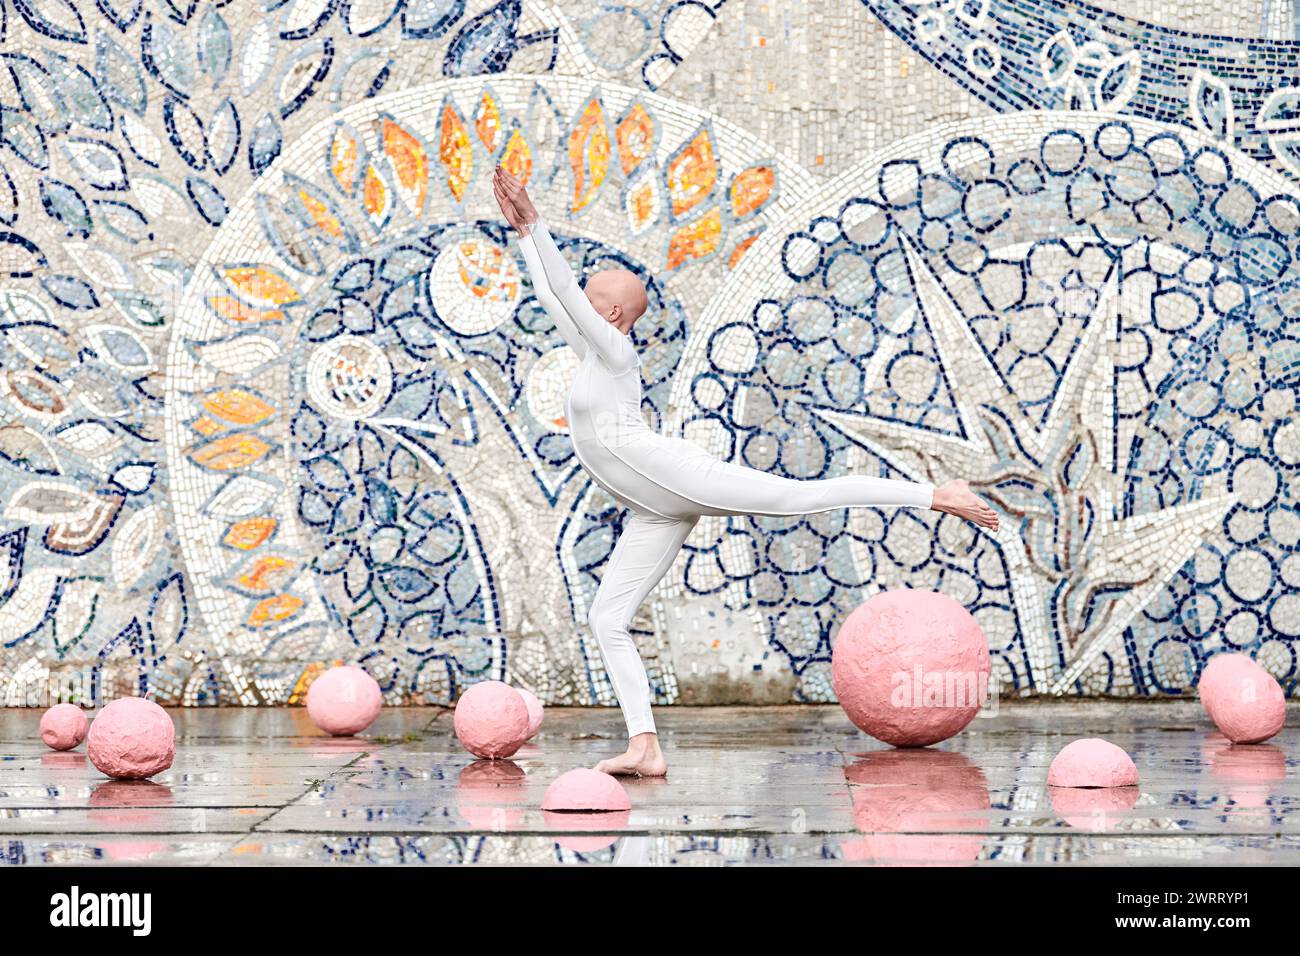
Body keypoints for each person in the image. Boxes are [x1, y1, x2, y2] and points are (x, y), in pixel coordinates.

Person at [492, 166, 999, 776]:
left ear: (616, 316)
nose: (583, 308)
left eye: (596, 300)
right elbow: (555, 297)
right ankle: (644, 746)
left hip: (674, 473)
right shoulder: (591, 355)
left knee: (801, 498)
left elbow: (566, 294)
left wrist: (539, 219)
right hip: (655, 506)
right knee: (608, 618)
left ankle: (936, 493)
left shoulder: (618, 353)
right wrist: (523, 231)